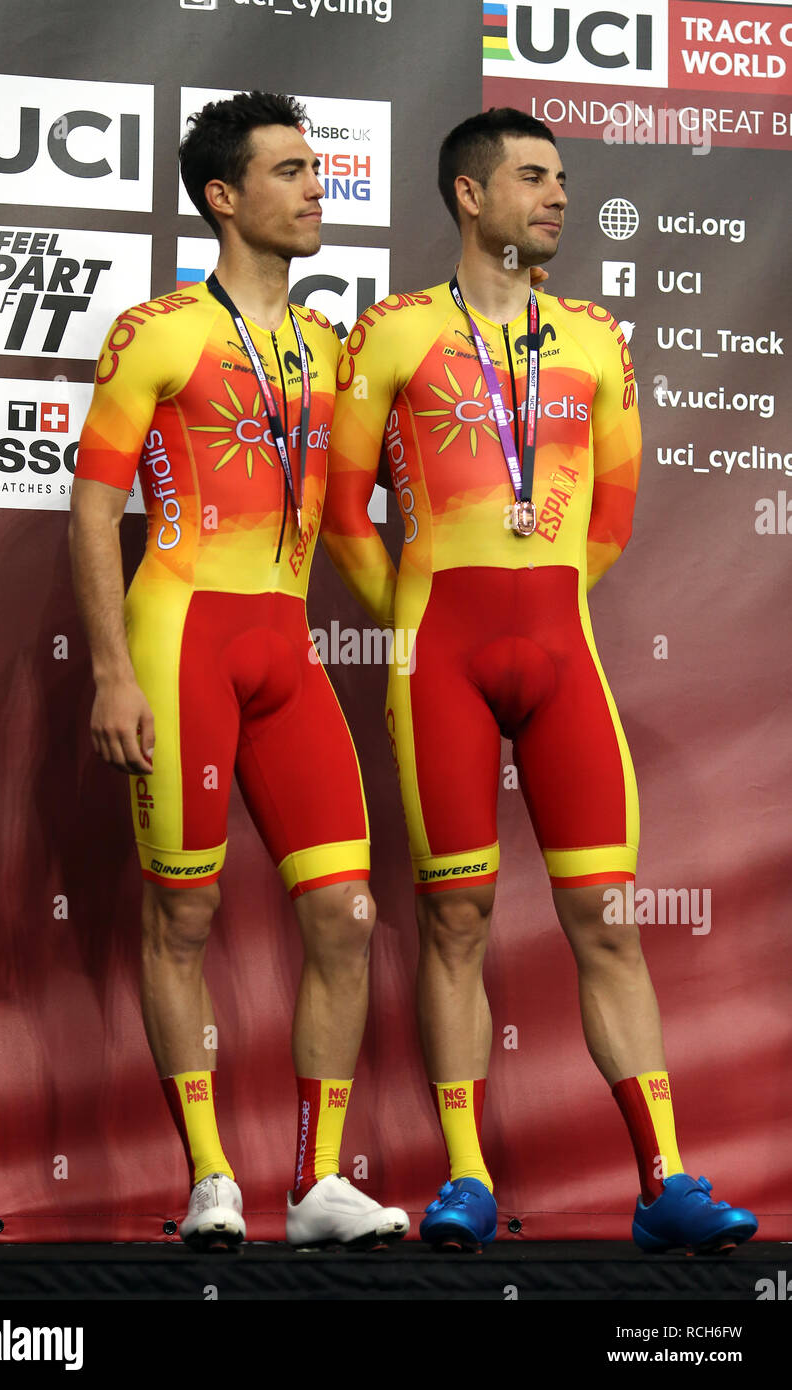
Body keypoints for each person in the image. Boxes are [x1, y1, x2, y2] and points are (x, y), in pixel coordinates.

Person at [320, 107, 757, 1255]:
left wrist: (544, 586)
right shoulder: (395, 333)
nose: (556, 196)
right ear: (469, 198)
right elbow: (340, 512)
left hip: (561, 649)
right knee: (454, 918)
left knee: (607, 920)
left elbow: (612, 511)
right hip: (440, 659)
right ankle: (464, 1177)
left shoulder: (593, 338)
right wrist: (412, 618)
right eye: (530, 177)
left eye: (560, 177)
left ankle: (664, 1179)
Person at [69, 91, 408, 1252]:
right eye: (291, 171)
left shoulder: (329, 347)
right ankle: (212, 1175)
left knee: (348, 920)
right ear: (223, 195)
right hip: (179, 635)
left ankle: (316, 1181)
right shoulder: (157, 330)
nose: (318, 189)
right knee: (187, 911)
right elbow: (93, 506)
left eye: (317, 170)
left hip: (285, 647)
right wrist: (111, 673)